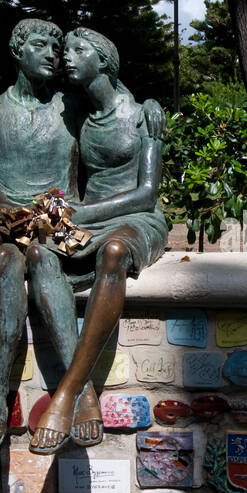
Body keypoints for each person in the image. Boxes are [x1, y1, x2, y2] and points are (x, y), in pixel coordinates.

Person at [0, 18, 163, 457]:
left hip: (52, 221)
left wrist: (151, 104)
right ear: (17, 51)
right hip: (2, 215)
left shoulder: (71, 107)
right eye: (41, 45)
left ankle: (5, 395)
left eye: (57, 47)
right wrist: (9, 214)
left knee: (9, 261)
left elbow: (115, 103)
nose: (53, 55)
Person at [30, 28, 168, 453]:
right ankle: (84, 389)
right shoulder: (78, 115)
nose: (65, 57)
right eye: (64, 50)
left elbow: (148, 192)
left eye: (77, 50)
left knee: (113, 254)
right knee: (38, 254)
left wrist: (80, 215)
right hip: (88, 220)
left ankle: (68, 392)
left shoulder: (143, 113)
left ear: (104, 60)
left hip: (137, 220)